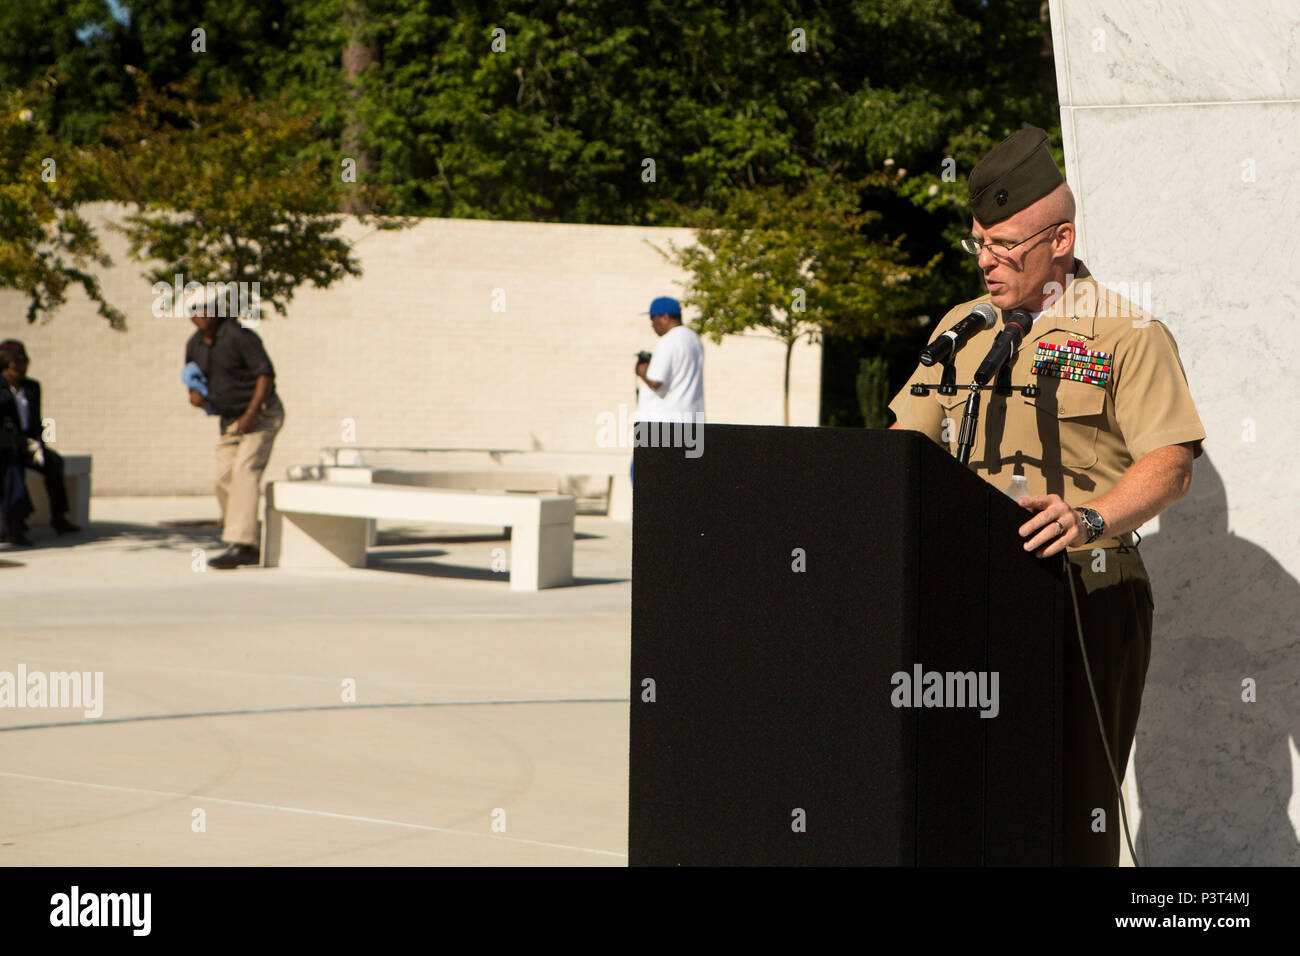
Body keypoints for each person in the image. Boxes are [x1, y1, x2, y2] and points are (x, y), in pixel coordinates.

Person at [886, 126, 1206, 866]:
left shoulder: (1126, 332)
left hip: (1085, 591)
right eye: (978, 244)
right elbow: (903, 445)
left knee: (1069, 810)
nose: (987, 263)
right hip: (967, 592)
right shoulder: (960, 331)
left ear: (1060, 240)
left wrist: (1090, 517)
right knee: (960, 797)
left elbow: (1171, 461)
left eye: (1005, 245)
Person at [184, 301, 285, 569]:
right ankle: (242, 537)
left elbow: (265, 374)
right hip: (230, 421)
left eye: (206, 308)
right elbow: (193, 377)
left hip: (261, 415)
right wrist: (194, 396)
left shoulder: (240, 336)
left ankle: (244, 545)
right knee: (223, 477)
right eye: (194, 309)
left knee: (244, 471)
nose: (200, 314)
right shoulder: (195, 344)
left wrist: (252, 413)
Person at [0, 340, 78, 540]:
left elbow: (37, 421)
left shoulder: (33, 387)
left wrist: (39, 444)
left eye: (24, 361)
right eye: (15, 362)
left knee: (53, 462)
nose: (20, 367)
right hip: (5, 447)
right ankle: (15, 524)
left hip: (27, 445)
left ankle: (59, 517)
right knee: (13, 468)